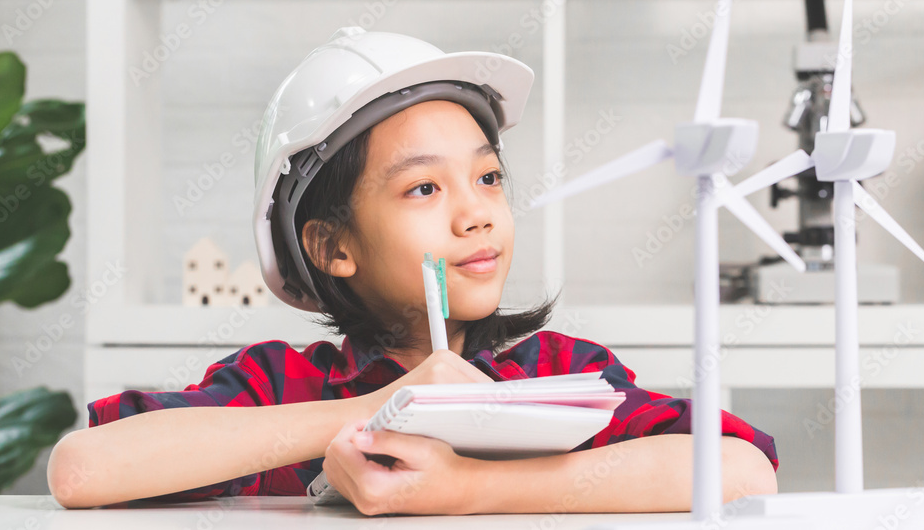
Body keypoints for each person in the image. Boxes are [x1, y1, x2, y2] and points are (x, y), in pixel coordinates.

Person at [46, 27, 778, 514]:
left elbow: (744, 470)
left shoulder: (560, 375)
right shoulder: (281, 387)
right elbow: (82, 469)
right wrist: (384, 404)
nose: (476, 213)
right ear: (333, 247)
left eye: (489, 179)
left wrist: (470, 487)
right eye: (425, 188)